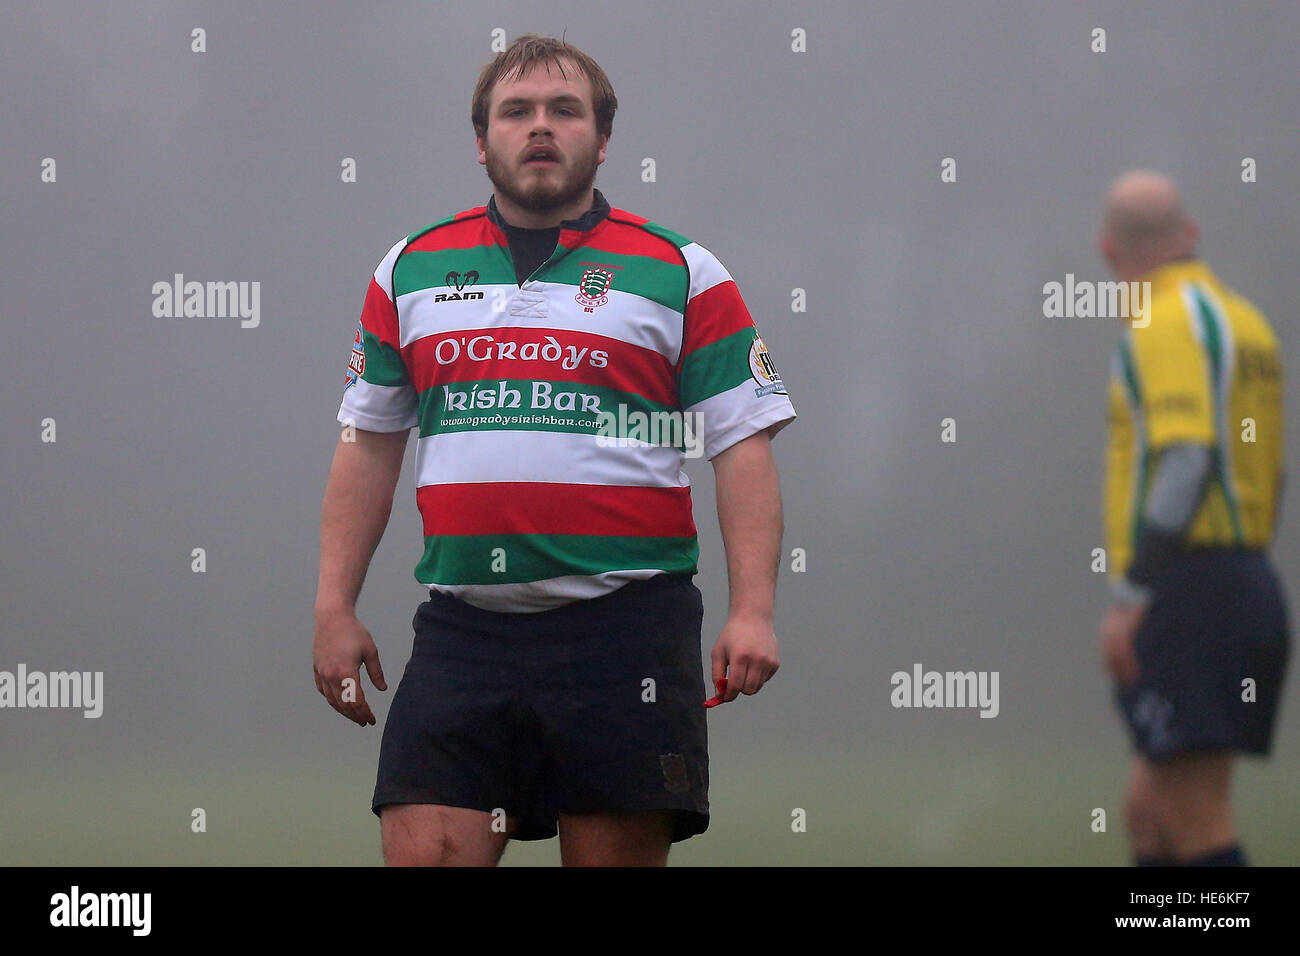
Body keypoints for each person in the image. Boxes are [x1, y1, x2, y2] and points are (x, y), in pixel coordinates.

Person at [313, 33, 796, 866]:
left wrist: (753, 610)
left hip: (627, 632)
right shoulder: (410, 269)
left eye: (565, 111)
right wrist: (332, 607)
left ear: (602, 139)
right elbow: (368, 445)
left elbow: (742, 449)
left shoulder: (683, 270)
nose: (541, 127)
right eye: (518, 112)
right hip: (465, 632)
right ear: (482, 140)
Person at [1097, 170, 1289, 866]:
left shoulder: (1163, 321)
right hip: (1243, 579)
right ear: (1190, 235)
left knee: (1197, 818)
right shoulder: (1247, 321)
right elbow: (1272, 472)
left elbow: (1186, 459)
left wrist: (1133, 595)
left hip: (1191, 586)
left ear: (1108, 251)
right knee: (1151, 815)